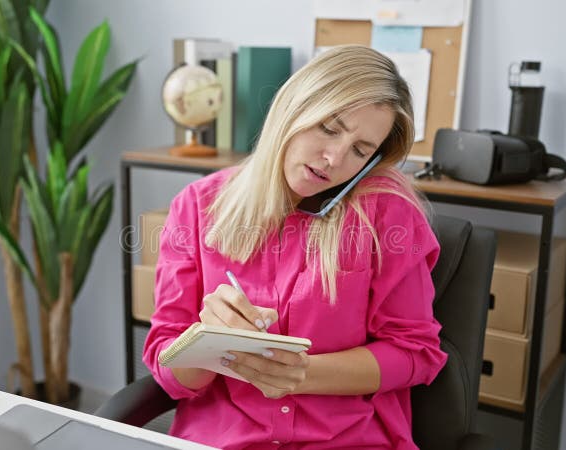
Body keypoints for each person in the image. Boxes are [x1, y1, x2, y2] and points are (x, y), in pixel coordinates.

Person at [143, 45, 448, 449]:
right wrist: (208, 341)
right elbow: (168, 368)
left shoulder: (388, 214)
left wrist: (303, 374)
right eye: (329, 128)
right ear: (293, 108)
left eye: (360, 150)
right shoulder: (198, 207)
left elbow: (415, 353)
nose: (334, 158)